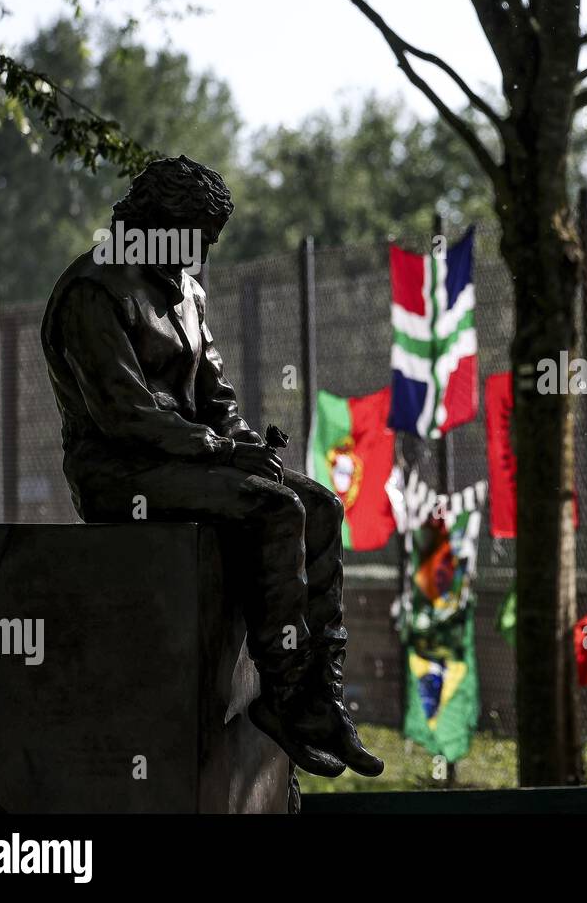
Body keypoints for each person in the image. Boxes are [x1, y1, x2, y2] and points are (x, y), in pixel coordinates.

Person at [40, 155, 382, 779]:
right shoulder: (94, 289)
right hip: (122, 475)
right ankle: (282, 696)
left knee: (321, 503)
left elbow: (217, 397)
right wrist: (223, 452)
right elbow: (126, 416)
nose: (202, 255)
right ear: (158, 224)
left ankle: (320, 697)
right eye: (196, 238)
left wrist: (251, 447)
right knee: (274, 508)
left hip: (196, 462)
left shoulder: (188, 290)